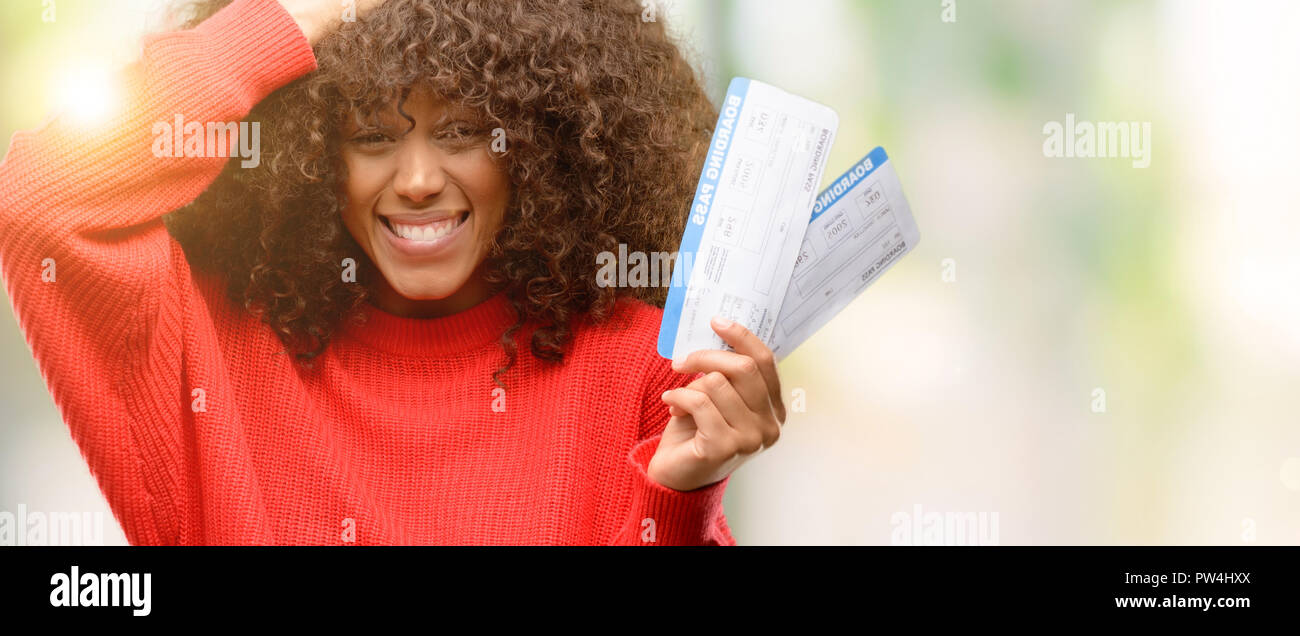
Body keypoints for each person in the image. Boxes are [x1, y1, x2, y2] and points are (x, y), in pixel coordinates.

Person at [0, 0, 785, 545]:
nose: (416, 179)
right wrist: (288, 21)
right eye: (372, 135)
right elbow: (39, 200)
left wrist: (679, 499)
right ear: (312, 153)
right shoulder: (202, 347)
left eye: (463, 133)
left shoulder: (645, 369)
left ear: (541, 144)